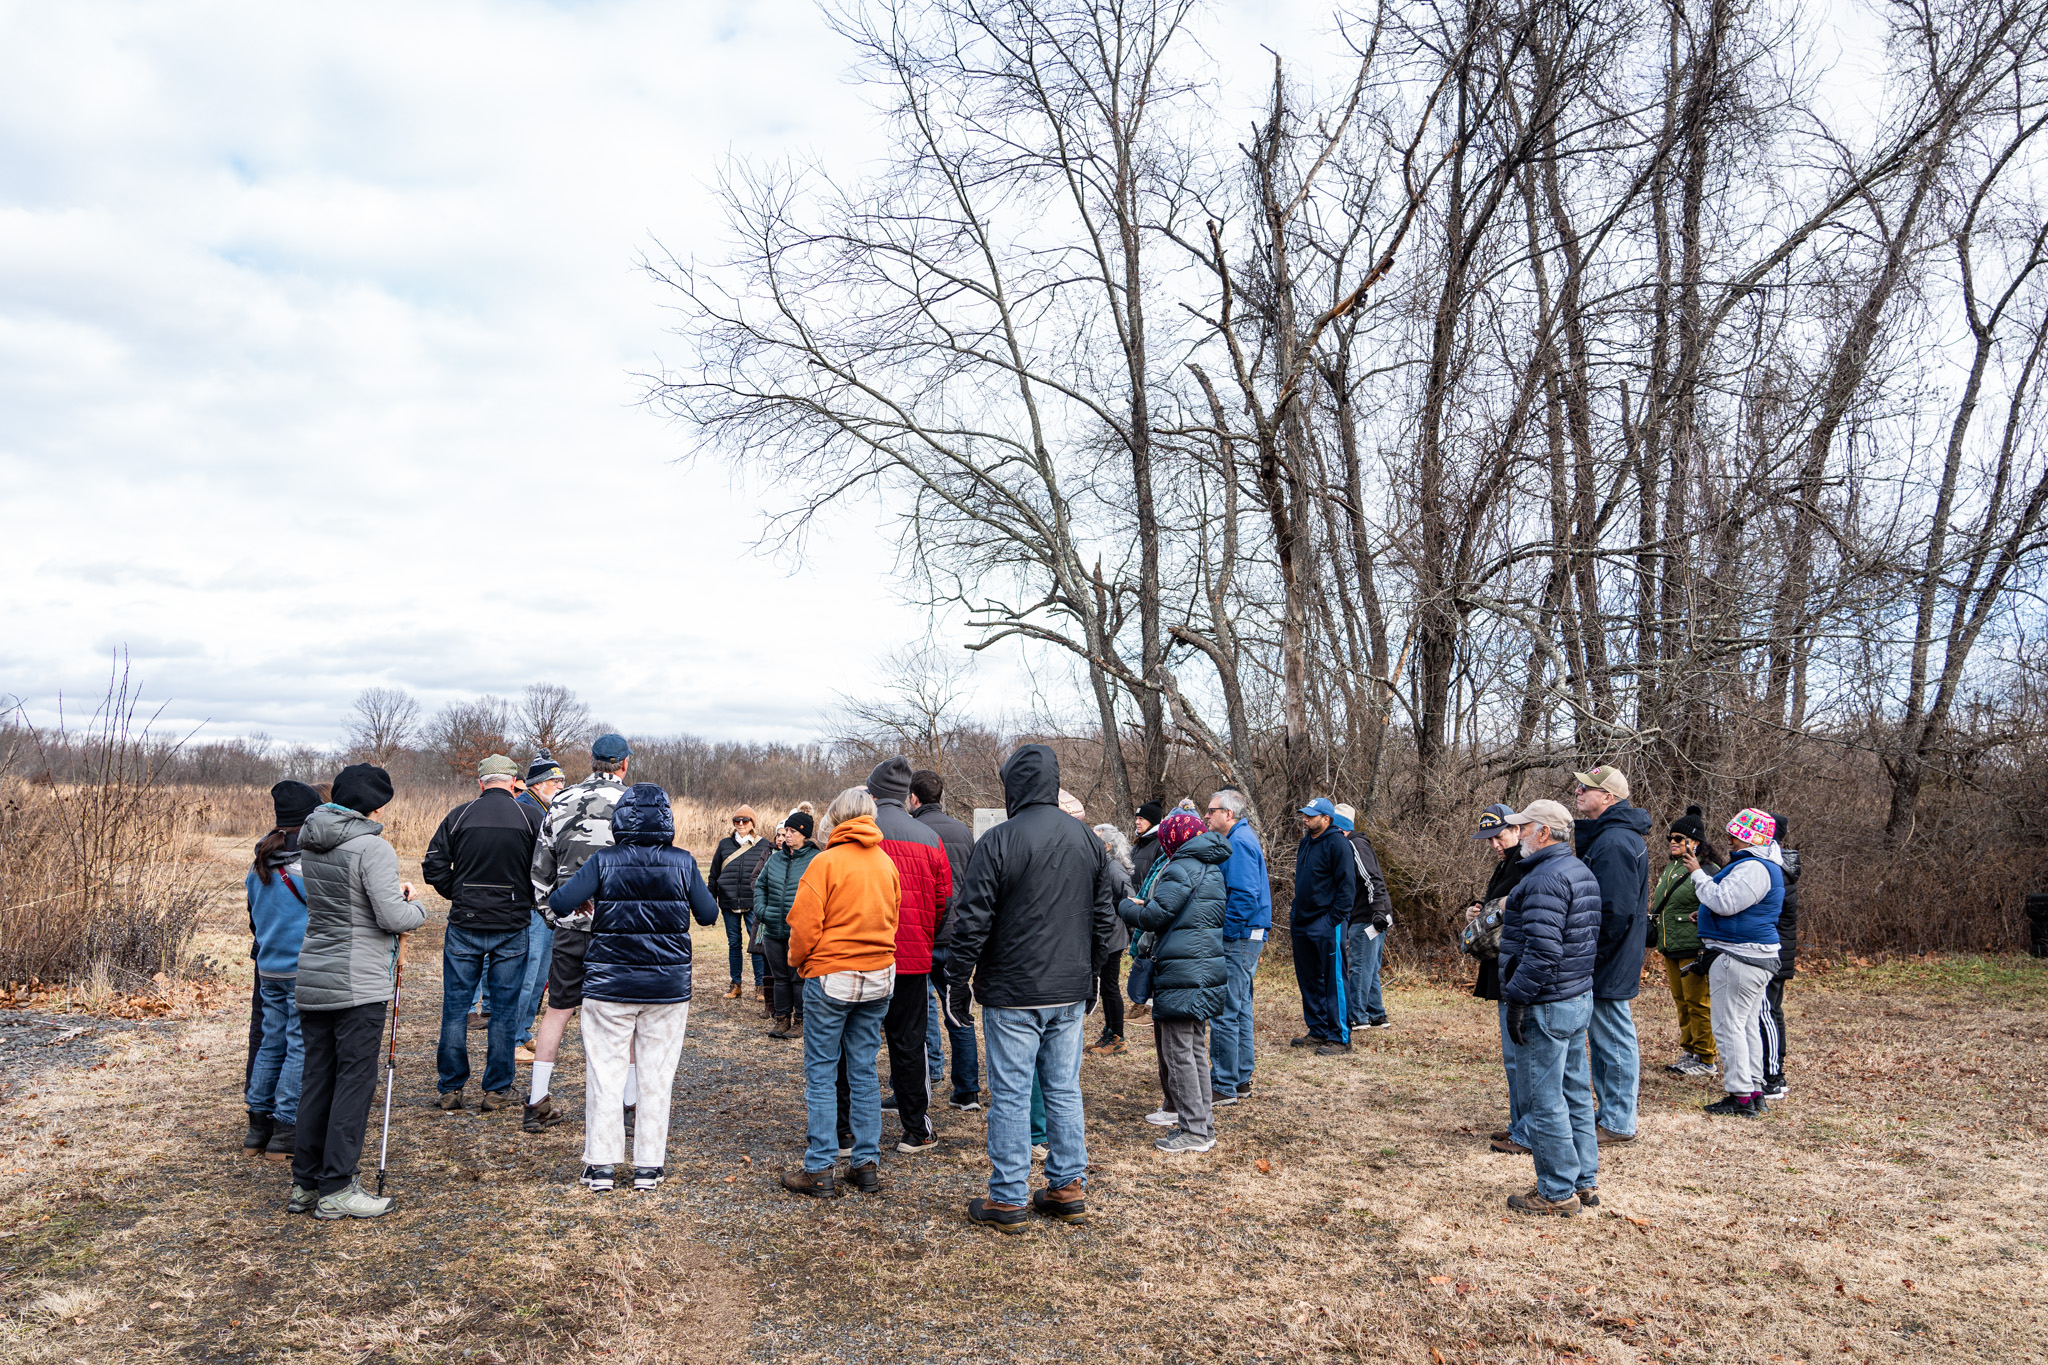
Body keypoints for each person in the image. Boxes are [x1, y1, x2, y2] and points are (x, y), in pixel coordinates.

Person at [947, 744, 1117, 1231]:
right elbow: (1103, 921)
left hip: (1017, 991)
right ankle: (1066, 1185)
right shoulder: (1086, 840)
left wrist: (958, 980)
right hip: (1064, 987)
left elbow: (972, 921)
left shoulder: (999, 840)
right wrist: (1090, 974)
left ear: (1013, 786)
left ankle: (1008, 1198)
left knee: (1013, 1093)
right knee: (1062, 1089)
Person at [545, 782, 719, 1192]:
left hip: (609, 985)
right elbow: (709, 914)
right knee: (657, 1076)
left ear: (620, 819)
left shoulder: (605, 861)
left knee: (605, 1073)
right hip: (667, 987)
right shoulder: (682, 862)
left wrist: (591, 900)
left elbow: (558, 903)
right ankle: (648, 1168)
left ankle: (602, 1166)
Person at [291, 764, 426, 1219]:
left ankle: (306, 1185)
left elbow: (344, 901)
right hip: (358, 981)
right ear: (378, 804)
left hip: (313, 973)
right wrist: (419, 908)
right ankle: (336, 1187)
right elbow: (391, 917)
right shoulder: (373, 846)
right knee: (353, 1082)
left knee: (317, 1079)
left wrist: (392, 891)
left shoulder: (312, 841)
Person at [780, 787, 902, 1199]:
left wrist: (799, 963)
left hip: (832, 978)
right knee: (864, 1069)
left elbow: (804, 928)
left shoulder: (825, 862)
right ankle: (865, 1163)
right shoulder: (886, 863)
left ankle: (819, 1168)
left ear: (837, 818)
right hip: (879, 977)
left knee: (821, 1071)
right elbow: (893, 919)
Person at [1497, 799, 1602, 1217]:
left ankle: (1557, 1191)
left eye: (1524, 829)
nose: (1518, 836)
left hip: (1548, 1001)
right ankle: (1583, 1180)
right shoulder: (1579, 871)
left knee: (1544, 1099)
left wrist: (1519, 999)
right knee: (1575, 1091)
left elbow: (1542, 952)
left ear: (1544, 833)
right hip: (1576, 998)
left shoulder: (1545, 879)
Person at [421, 755, 543, 1113]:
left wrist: (459, 893)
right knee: (505, 1011)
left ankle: (451, 1088)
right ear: (514, 782)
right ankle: (497, 1090)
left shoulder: (459, 815)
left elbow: (433, 865)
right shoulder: (531, 816)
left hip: (466, 923)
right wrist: (526, 900)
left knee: (456, 1008)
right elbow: (547, 867)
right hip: (512, 924)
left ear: (480, 782)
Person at [525, 734, 632, 1134]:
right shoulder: (633, 804)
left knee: (558, 1010)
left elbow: (540, 870)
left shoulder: (561, 801)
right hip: (620, 929)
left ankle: (537, 1100)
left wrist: (553, 915)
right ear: (623, 764)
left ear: (592, 761)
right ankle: (630, 1103)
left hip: (572, 925)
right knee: (628, 1015)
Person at [1121, 811, 1228, 1151]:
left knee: (1178, 1052)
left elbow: (1155, 916)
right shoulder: (1210, 867)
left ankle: (1193, 1132)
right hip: (1201, 969)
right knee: (1194, 1050)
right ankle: (1202, 1126)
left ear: (1173, 840)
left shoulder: (1180, 867)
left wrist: (1128, 907)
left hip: (1183, 971)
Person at [1680, 808, 1785, 1119]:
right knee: (1746, 1025)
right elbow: (1736, 905)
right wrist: (1707, 914)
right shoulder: (1761, 866)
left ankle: (1740, 1096)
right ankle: (1753, 1091)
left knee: (1728, 1027)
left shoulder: (1753, 866)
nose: (1729, 838)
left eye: (1736, 833)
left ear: (1750, 838)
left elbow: (1724, 902)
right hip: (1751, 956)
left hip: (1738, 957)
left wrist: (1697, 873)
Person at [1570, 765, 1651, 1145]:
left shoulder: (1616, 841)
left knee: (1613, 1038)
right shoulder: (1609, 836)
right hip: (1608, 954)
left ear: (1609, 797)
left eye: (1587, 788)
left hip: (1609, 956)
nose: (1578, 791)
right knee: (1604, 1036)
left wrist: (1591, 951)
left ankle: (1619, 1121)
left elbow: (1613, 911)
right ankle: (1612, 1114)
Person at [242, 779, 322, 1161]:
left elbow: (254, 919)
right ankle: (287, 1129)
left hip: (268, 968)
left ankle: (257, 1129)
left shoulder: (260, 863)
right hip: (299, 969)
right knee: (298, 1045)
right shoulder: (306, 867)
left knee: (271, 1042)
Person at [908, 769, 980, 1112]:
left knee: (915, 1014)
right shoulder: (964, 831)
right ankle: (967, 1090)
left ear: (914, 798)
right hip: (957, 934)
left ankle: (926, 1077)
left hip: (922, 933)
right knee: (958, 1012)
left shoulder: (913, 832)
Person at [1465, 804, 1533, 1155]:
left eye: (1499, 835)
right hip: (1501, 964)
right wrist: (1480, 908)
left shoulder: (1526, 863)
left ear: (1518, 830)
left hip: (1517, 965)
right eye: (1490, 838)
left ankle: (1527, 1129)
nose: (1494, 843)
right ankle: (1518, 1123)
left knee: (1520, 1055)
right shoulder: (1506, 862)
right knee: (1512, 1056)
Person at [1205, 788, 1271, 1101]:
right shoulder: (1239, 839)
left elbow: (1245, 895)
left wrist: (1225, 933)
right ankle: (1241, 1079)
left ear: (1228, 814)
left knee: (1224, 1011)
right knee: (1240, 1008)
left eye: (1211, 810)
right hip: (1245, 936)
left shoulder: (1240, 843)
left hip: (1240, 938)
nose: (1206, 815)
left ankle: (1223, 1084)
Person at [1652, 806, 1721, 1078]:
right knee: (1681, 1001)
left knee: (1697, 1002)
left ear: (1695, 842)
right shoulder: (1671, 868)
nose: (1673, 842)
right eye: (1671, 837)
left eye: (1679, 838)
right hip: (1670, 946)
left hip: (1695, 946)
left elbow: (1717, 903)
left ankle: (1706, 1058)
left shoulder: (1708, 870)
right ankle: (1689, 1051)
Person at [1288, 797, 1356, 1057]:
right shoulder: (1306, 841)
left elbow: (1347, 886)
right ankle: (1317, 1029)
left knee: (1333, 979)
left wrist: (1333, 920)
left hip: (1327, 922)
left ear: (1326, 819)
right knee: (1309, 978)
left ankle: (1339, 1036)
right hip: (1302, 922)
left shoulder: (1339, 843)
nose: (1305, 819)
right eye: (1304, 814)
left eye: (1311, 816)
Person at [512, 752, 567, 1063]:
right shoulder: (526, 810)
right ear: (538, 784)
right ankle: (513, 1037)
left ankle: (524, 1030)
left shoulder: (547, 810)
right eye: (554, 781)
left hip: (546, 906)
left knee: (541, 972)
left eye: (561, 781)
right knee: (529, 971)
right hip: (531, 906)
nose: (559, 786)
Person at [755, 810, 821, 1038]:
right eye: (785, 832)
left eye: (792, 832)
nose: (786, 836)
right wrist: (763, 911)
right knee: (780, 976)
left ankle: (801, 1021)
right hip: (773, 928)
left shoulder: (816, 860)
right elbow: (760, 885)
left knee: (798, 977)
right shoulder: (775, 858)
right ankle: (782, 1019)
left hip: (799, 930)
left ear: (804, 835)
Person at [1332, 803, 1392, 1031]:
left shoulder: (1354, 844)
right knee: (1369, 966)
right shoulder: (1354, 843)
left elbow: (1372, 879)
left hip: (1368, 916)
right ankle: (1377, 1014)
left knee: (1358, 965)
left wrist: (1376, 911)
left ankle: (1358, 1016)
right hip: (1374, 914)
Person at [1757, 812, 1799, 1101]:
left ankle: (1774, 1076)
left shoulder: (1777, 871)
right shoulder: (1777, 867)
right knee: (1771, 1012)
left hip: (1774, 952)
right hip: (1776, 950)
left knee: (1768, 1013)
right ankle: (1769, 1071)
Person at [1085, 823, 1135, 1056]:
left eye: (1096, 840)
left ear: (1107, 845)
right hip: (1106, 934)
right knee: (1106, 987)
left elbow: (1130, 900)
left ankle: (1118, 1038)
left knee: (1110, 988)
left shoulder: (1115, 869)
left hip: (1112, 937)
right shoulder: (1104, 864)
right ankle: (1109, 1032)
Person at [707, 806, 761, 1000]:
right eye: (737, 821)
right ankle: (735, 984)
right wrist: (710, 902)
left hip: (753, 902)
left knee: (756, 944)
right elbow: (713, 875)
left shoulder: (764, 846)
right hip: (728, 901)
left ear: (753, 823)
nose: (740, 824)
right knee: (734, 944)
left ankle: (760, 986)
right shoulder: (724, 845)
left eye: (745, 820)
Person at [1130, 800, 1164, 887]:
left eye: (1141, 819)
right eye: (1137, 818)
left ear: (1152, 821)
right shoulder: (1138, 843)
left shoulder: (1160, 845)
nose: (1137, 822)